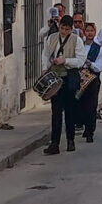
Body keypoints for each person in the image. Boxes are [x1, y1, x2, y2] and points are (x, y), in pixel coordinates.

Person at [42, 15, 86, 155]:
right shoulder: (51, 38)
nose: (64, 31)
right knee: (55, 111)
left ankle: (70, 140)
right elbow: (46, 54)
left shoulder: (76, 40)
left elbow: (80, 60)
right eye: (62, 28)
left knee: (70, 111)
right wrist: (45, 67)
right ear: (59, 26)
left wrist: (65, 61)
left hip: (69, 77)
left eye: (67, 29)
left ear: (71, 29)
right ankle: (54, 143)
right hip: (55, 77)